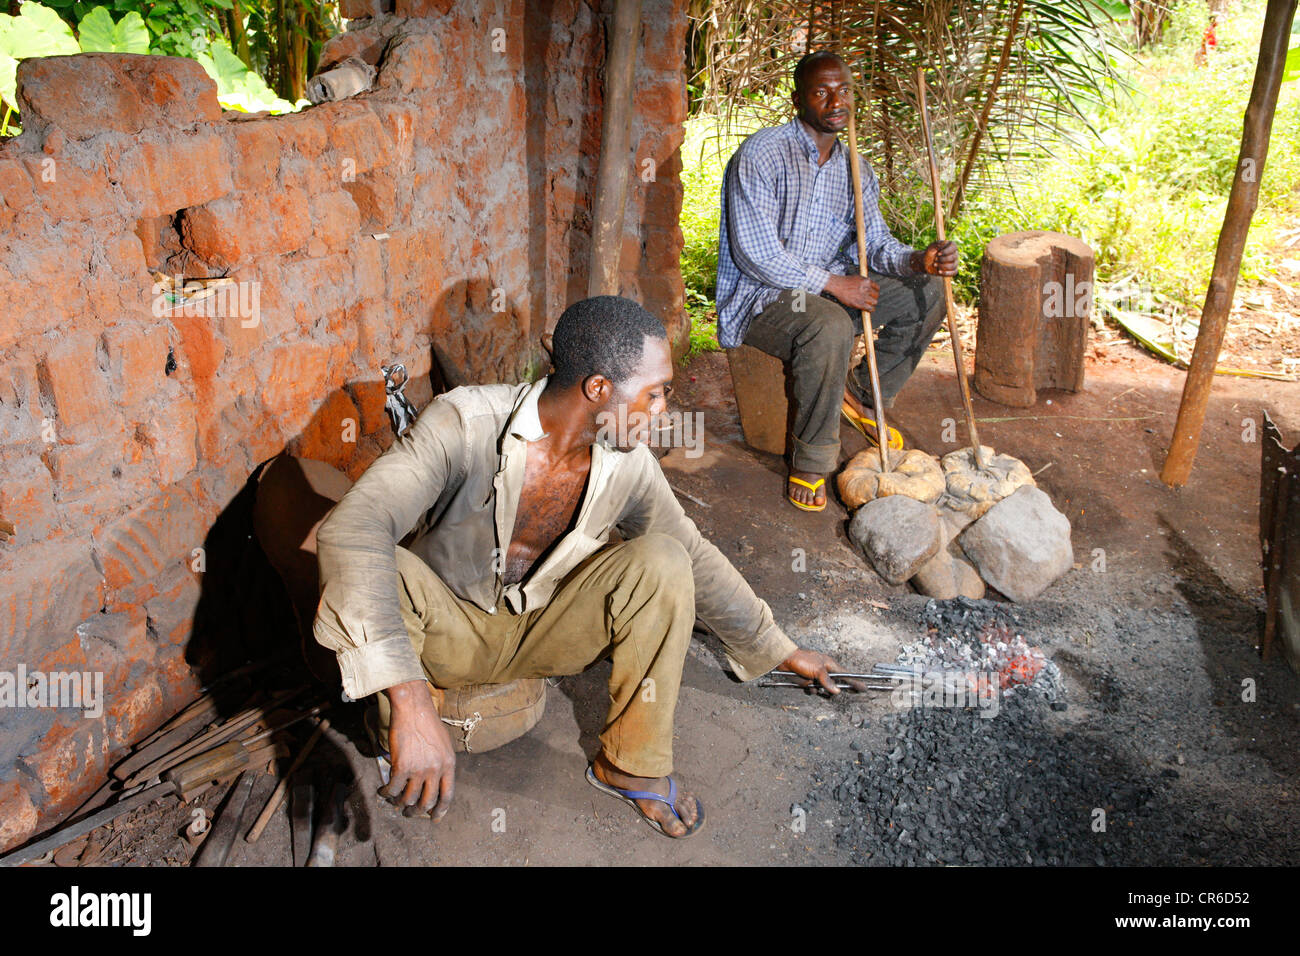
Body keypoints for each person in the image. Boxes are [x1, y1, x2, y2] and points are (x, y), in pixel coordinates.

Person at [313, 295, 854, 839]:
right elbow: (352, 528)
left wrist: (778, 648)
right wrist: (407, 700)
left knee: (663, 557)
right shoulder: (466, 422)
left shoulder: (628, 462)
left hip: (541, 632)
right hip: (444, 632)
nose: (664, 409)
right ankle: (402, 731)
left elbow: (690, 552)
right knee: (386, 562)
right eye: (654, 393)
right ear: (598, 389)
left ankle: (628, 764)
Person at [716, 50, 959, 512]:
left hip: (828, 291)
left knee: (925, 293)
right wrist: (833, 283)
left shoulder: (856, 170)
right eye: (821, 91)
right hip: (760, 298)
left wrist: (918, 261)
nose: (836, 101)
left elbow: (876, 246)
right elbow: (756, 255)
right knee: (827, 324)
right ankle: (812, 459)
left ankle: (863, 395)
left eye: (844, 90)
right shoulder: (763, 153)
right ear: (797, 99)